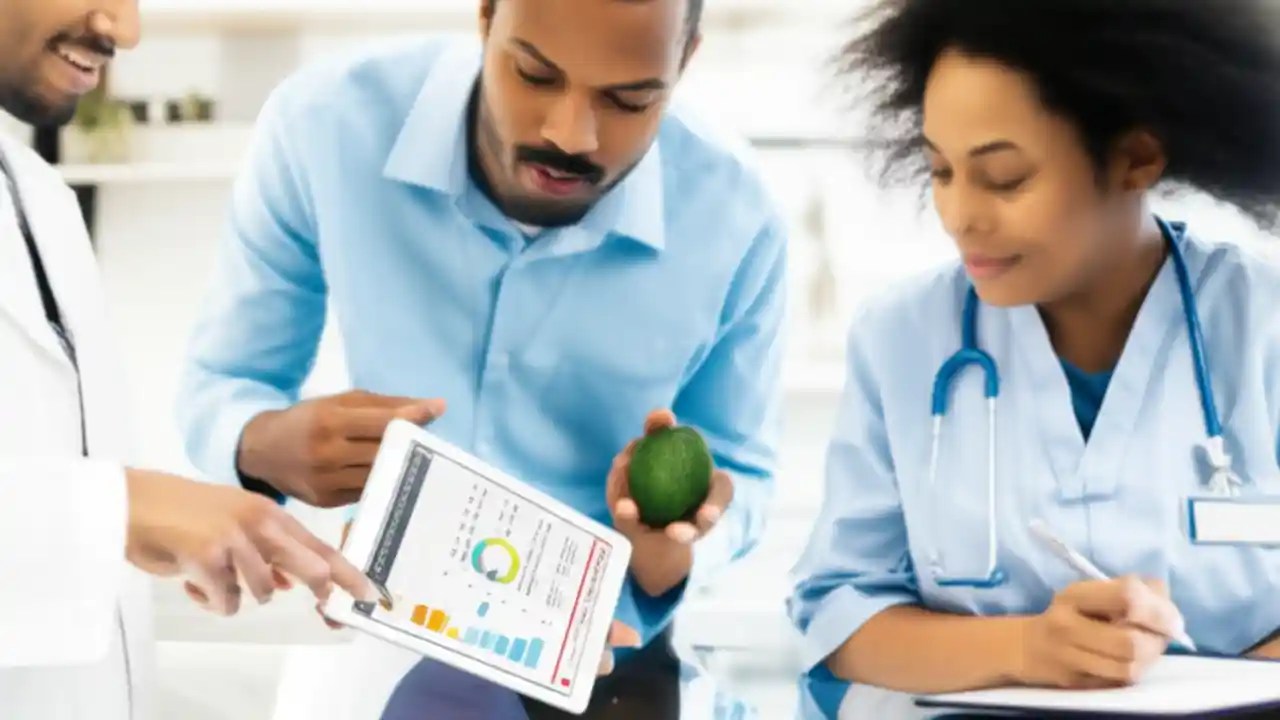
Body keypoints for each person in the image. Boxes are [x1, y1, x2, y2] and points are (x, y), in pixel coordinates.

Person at [176, 0, 785, 674]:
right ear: (486, 16)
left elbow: (745, 474)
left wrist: (674, 546)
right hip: (384, 647)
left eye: (628, 99)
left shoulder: (740, 217)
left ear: (686, 59)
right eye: (534, 74)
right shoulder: (324, 125)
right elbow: (223, 382)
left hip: (609, 659)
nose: (570, 134)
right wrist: (264, 444)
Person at [788, 0, 1280, 697]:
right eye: (941, 171)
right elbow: (840, 615)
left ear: (1135, 157)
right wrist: (1023, 646)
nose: (961, 216)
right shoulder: (901, 338)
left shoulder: (1264, 325)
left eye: (1005, 177)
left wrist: (1207, 690)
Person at [0, 2, 379, 718]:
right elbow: (99, 520)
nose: (125, 28)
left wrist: (319, 577)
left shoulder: (40, 198)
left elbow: (79, 585)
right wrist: (125, 508)